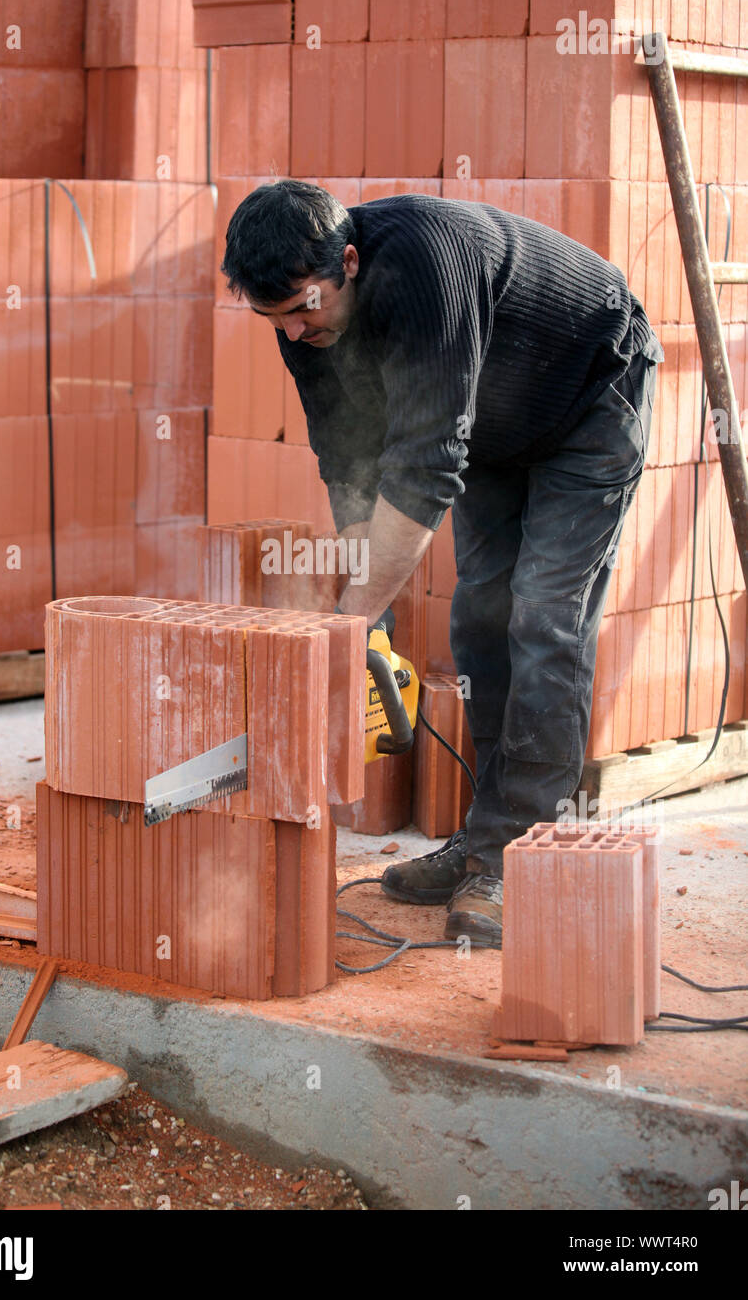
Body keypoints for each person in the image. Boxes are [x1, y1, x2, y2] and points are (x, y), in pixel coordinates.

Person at [221, 179, 663, 949]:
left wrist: (349, 624)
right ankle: (486, 839)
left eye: (302, 309)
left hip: (594, 396)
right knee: (480, 616)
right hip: (501, 424)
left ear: (349, 262)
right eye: (274, 320)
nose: (292, 333)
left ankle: (522, 856)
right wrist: (374, 622)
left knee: (542, 619)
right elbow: (349, 461)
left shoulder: (428, 262)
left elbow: (425, 467)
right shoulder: (305, 320)